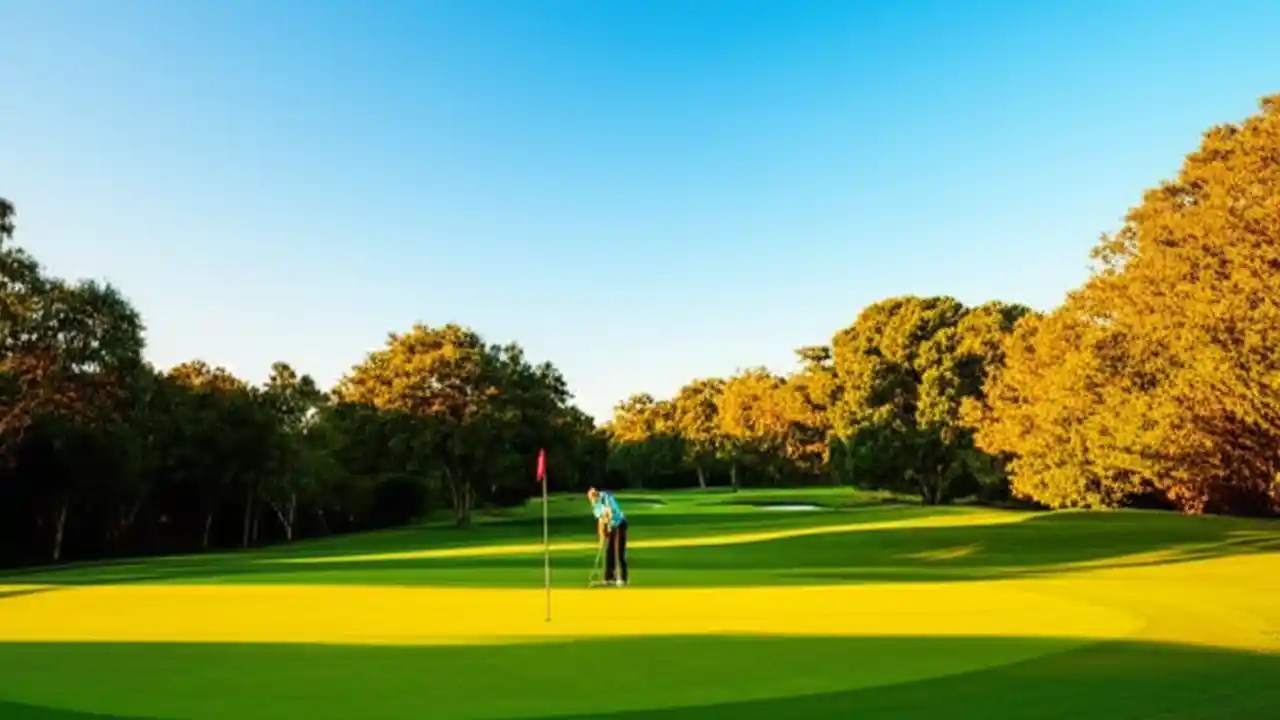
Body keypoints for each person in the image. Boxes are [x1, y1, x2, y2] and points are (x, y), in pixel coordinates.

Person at [588, 487, 628, 586]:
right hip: (611, 525)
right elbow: (600, 521)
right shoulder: (595, 505)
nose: (593, 500)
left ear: (597, 495)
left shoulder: (607, 497)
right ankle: (610, 577)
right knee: (609, 551)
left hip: (620, 523)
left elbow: (612, 512)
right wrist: (602, 536)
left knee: (619, 551)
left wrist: (608, 520)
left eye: (593, 497)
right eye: (591, 499)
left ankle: (623, 578)